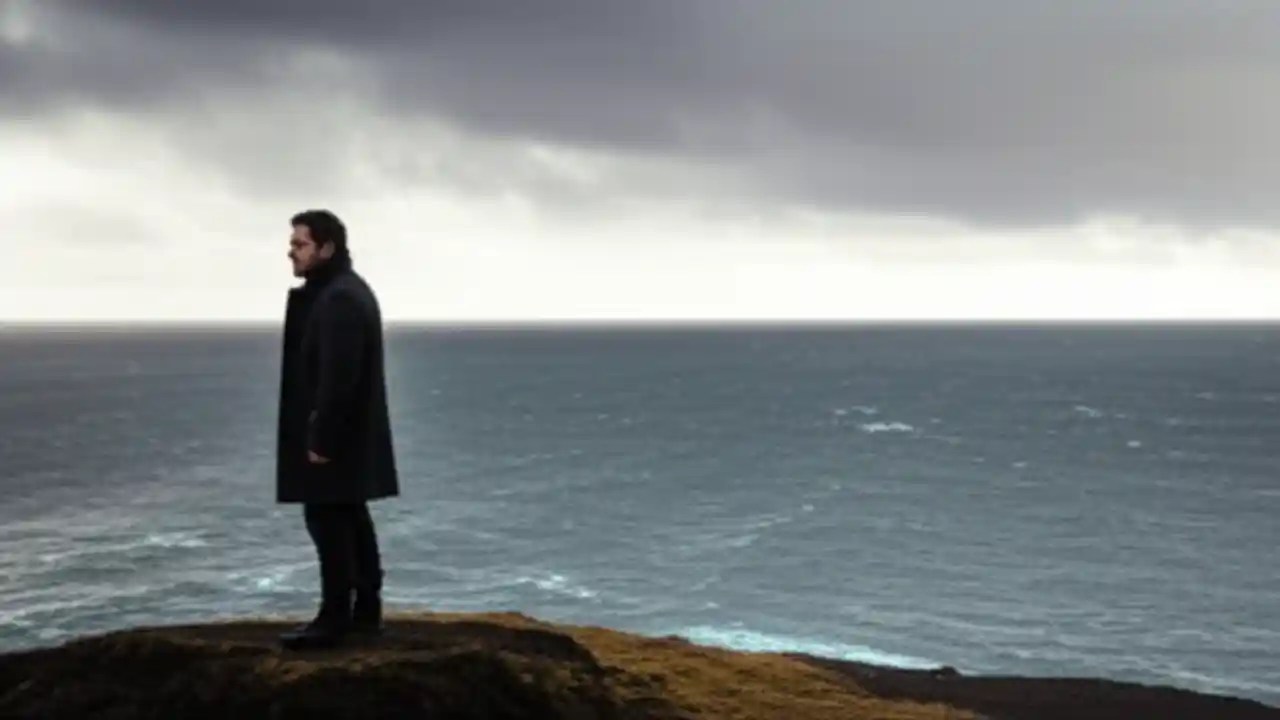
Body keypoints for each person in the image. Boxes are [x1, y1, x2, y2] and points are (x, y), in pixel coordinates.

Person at [275, 209, 399, 650]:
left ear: (326, 248)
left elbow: (339, 376)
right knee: (348, 516)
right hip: (349, 437)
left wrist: (321, 437)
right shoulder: (341, 292)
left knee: (328, 519)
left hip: (336, 438)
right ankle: (364, 612)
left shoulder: (340, 298)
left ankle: (336, 617)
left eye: (300, 244)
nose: (291, 251)